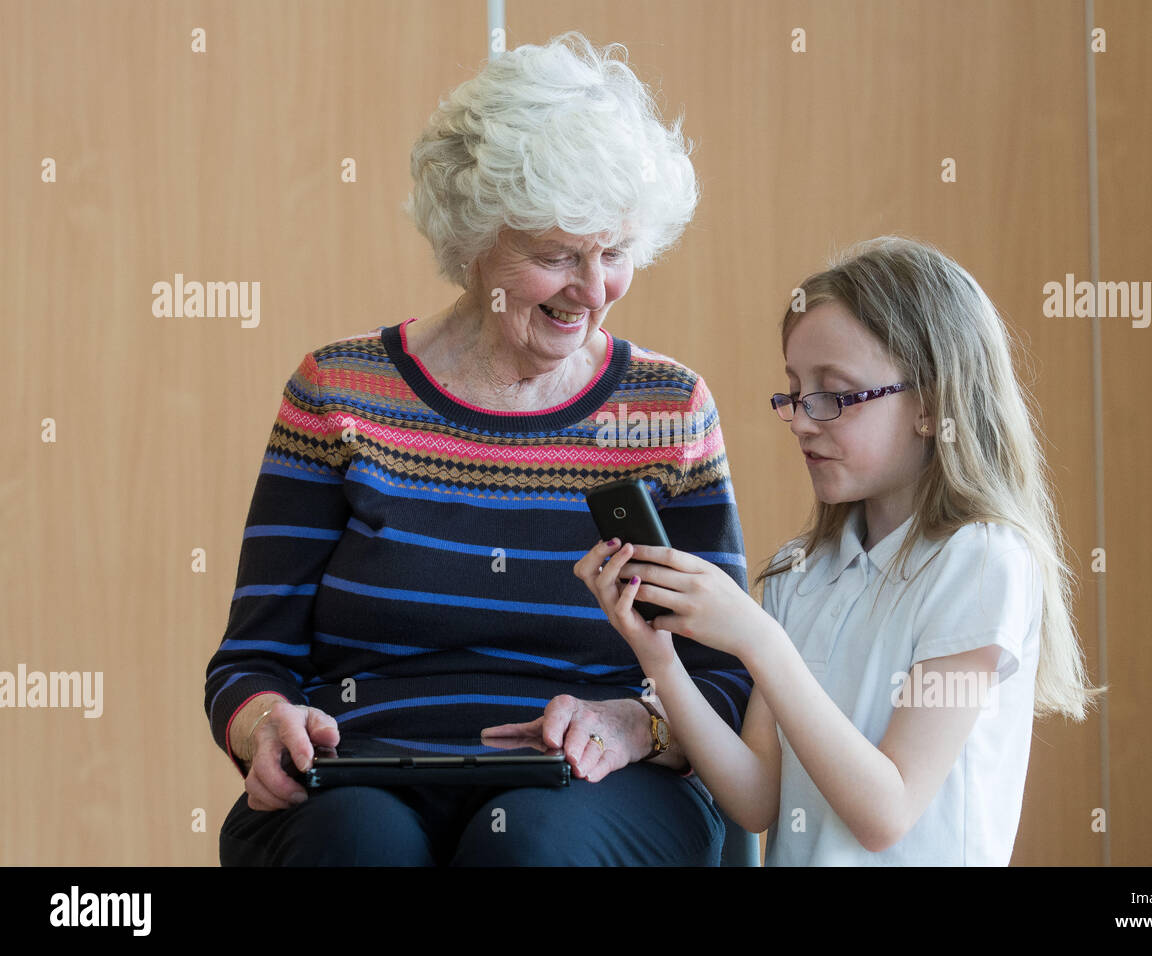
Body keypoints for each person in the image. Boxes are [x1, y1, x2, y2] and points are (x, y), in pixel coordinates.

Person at [206, 31, 751, 866]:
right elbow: (251, 660)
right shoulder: (337, 392)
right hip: (365, 776)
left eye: (614, 253)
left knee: (532, 848)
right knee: (363, 844)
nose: (593, 287)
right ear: (474, 240)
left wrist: (635, 723)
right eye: (557, 255)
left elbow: (727, 676)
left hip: (595, 791)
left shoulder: (667, 409)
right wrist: (265, 725)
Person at [576, 235, 1106, 865]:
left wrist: (759, 640)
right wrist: (658, 657)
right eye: (795, 393)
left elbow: (888, 811)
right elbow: (754, 800)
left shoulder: (980, 562)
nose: (802, 419)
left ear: (932, 405)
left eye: (835, 395)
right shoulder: (800, 573)